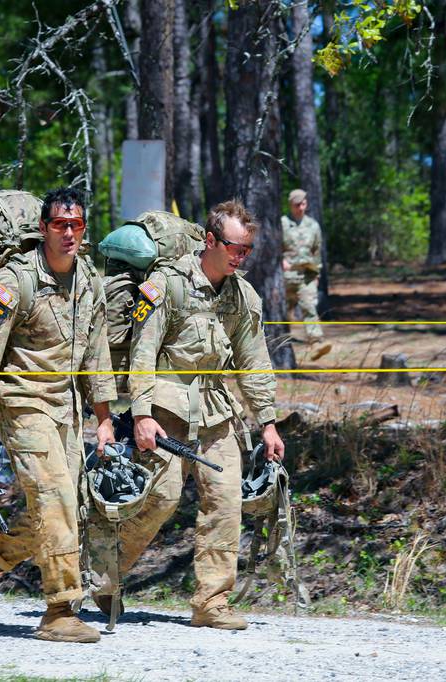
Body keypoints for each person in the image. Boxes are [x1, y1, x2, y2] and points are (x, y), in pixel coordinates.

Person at [90, 200, 285, 630]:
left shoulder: (242, 295)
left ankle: (211, 602)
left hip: (216, 408)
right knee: (160, 497)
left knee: (226, 500)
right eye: (235, 247)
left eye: (248, 250)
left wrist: (267, 422)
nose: (241, 256)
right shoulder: (166, 285)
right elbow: (142, 351)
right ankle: (103, 576)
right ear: (211, 241)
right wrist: (140, 414)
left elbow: (254, 361)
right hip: (165, 405)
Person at [0, 187, 117, 644]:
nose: (68, 233)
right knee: (57, 499)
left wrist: (104, 418)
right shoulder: (13, 282)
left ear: (84, 230)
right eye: (60, 225)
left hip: (68, 409)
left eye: (76, 225)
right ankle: (60, 610)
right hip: (24, 404)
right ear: (43, 228)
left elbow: (97, 354)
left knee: (60, 510)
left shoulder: (89, 281)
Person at [281, 188, 331, 360]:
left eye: (303, 203)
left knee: (309, 306)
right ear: (291, 205)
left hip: (306, 275)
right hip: (285, 277)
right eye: (297, 204)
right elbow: (272, 246)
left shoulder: (313, 225)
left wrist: (317, 273)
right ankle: (277, 345)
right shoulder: (283, 223)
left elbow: (317, 250)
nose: (300, 207)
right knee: (283, 313)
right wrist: (280, 260)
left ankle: (316, 343)